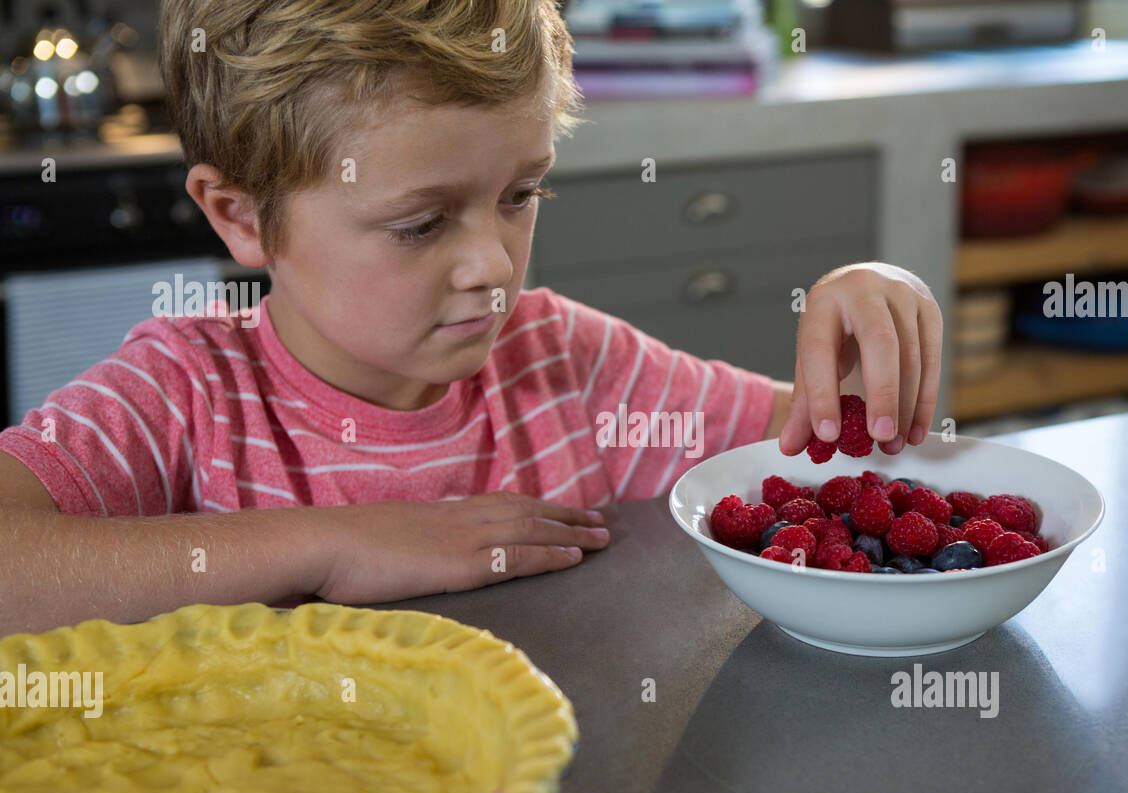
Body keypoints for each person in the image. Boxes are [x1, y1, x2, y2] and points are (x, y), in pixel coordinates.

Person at [0, 0, 941, 635]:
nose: (494, 266)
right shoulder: (188, 393)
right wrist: (334, 545)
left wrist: (863, 347)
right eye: (419, 224)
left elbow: (844, 465)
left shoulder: (564, 362)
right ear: (242, 216)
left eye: (521, 194)